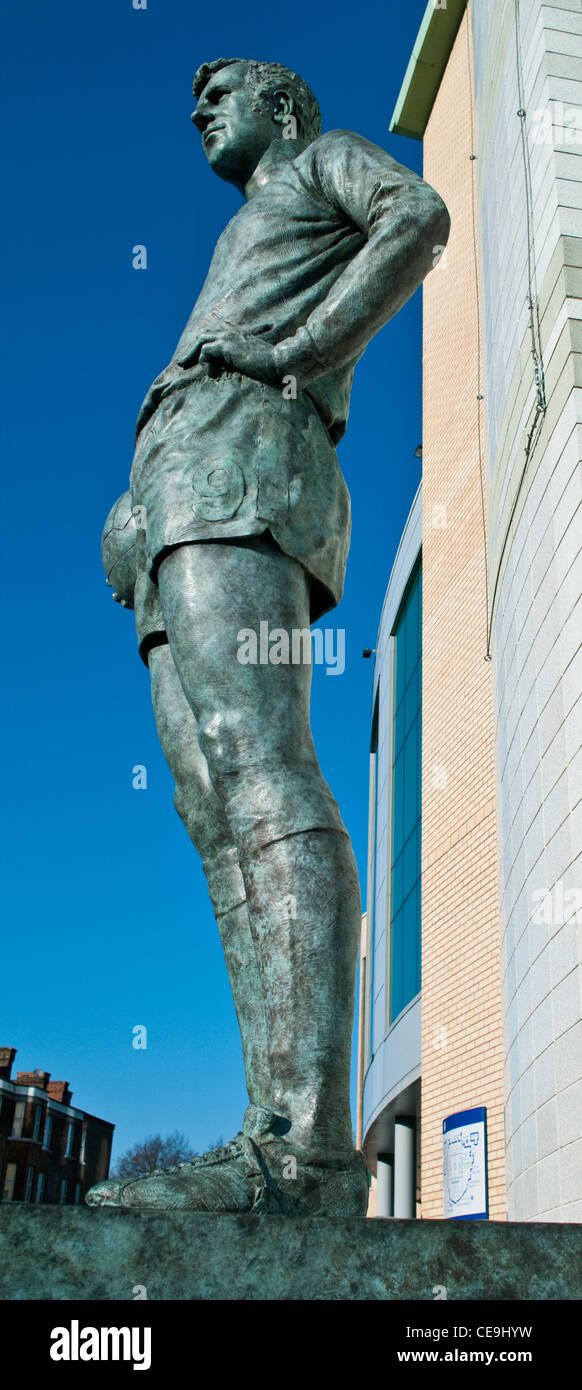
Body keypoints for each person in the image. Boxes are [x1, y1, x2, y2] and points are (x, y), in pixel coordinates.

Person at [87, 57, 450, 1216]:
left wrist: (296, 356)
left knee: (258, 763)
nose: (202, 108)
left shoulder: (318, 160)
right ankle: (265, 1133)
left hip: (251, 469)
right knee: (205, 794)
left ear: (284, 108)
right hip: (178, 496)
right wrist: (133, 507)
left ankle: (309, 1149)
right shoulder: (249, 221)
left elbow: (419, 214)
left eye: (225, 92)